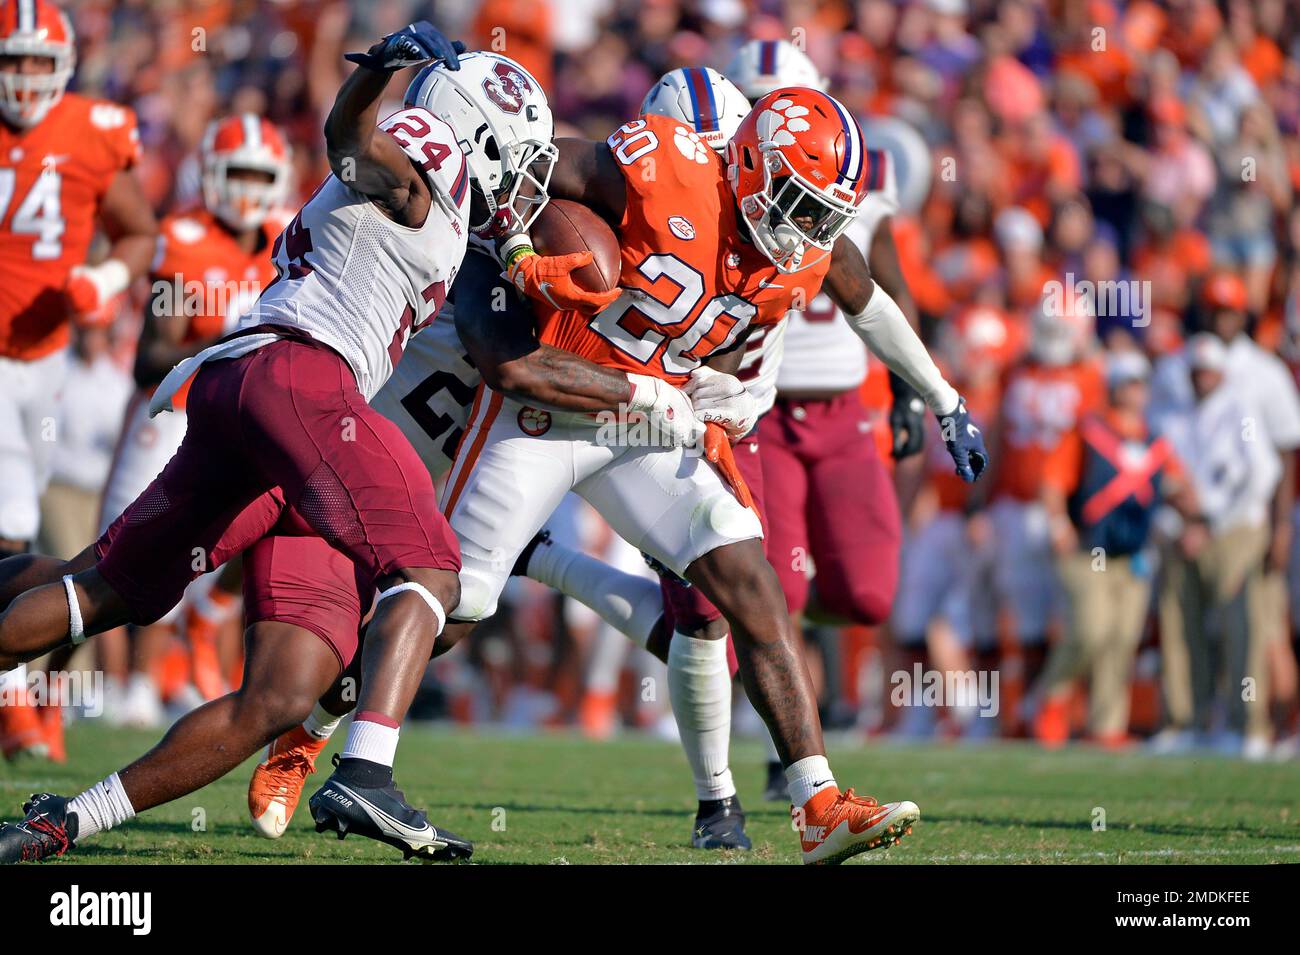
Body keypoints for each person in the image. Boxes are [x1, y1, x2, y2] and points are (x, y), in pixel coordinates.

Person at [0, 0, 157, 755]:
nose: (25, 76)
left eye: (38, 60)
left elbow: (138, 230)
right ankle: (15, 697)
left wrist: (107, 275)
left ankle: (30, 691)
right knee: (10, 521)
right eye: (13, 58)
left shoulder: (93, 131)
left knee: (20, 526)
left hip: (49, 357)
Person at [1031, 350, 1195, 747]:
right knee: (1091, 629)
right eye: (1128, 383)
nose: (1135, 392)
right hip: (1088, 549)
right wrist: (1058, 524)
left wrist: (1196, 516)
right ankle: (1050, 697)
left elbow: (1180, 488)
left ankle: (1106, 725)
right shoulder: (1087, 431)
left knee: (1122, 639)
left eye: (1140, 383)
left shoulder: (1155, 443)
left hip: (1132, 554)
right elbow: (1053, 482)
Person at [1152, 333, 1283, 757]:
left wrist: (1213, 520)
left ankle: (1250, 726)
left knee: (1242, 625)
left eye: (1210, 371)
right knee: (1178, 621)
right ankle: (1185, 718)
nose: (1203, 378)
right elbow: (1161, 479)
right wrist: (1182, 521)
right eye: (1198, 372)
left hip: (1234, 529)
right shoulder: (1176, 416)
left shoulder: (1240, 410)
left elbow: (1263, 475)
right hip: (1187, 530)